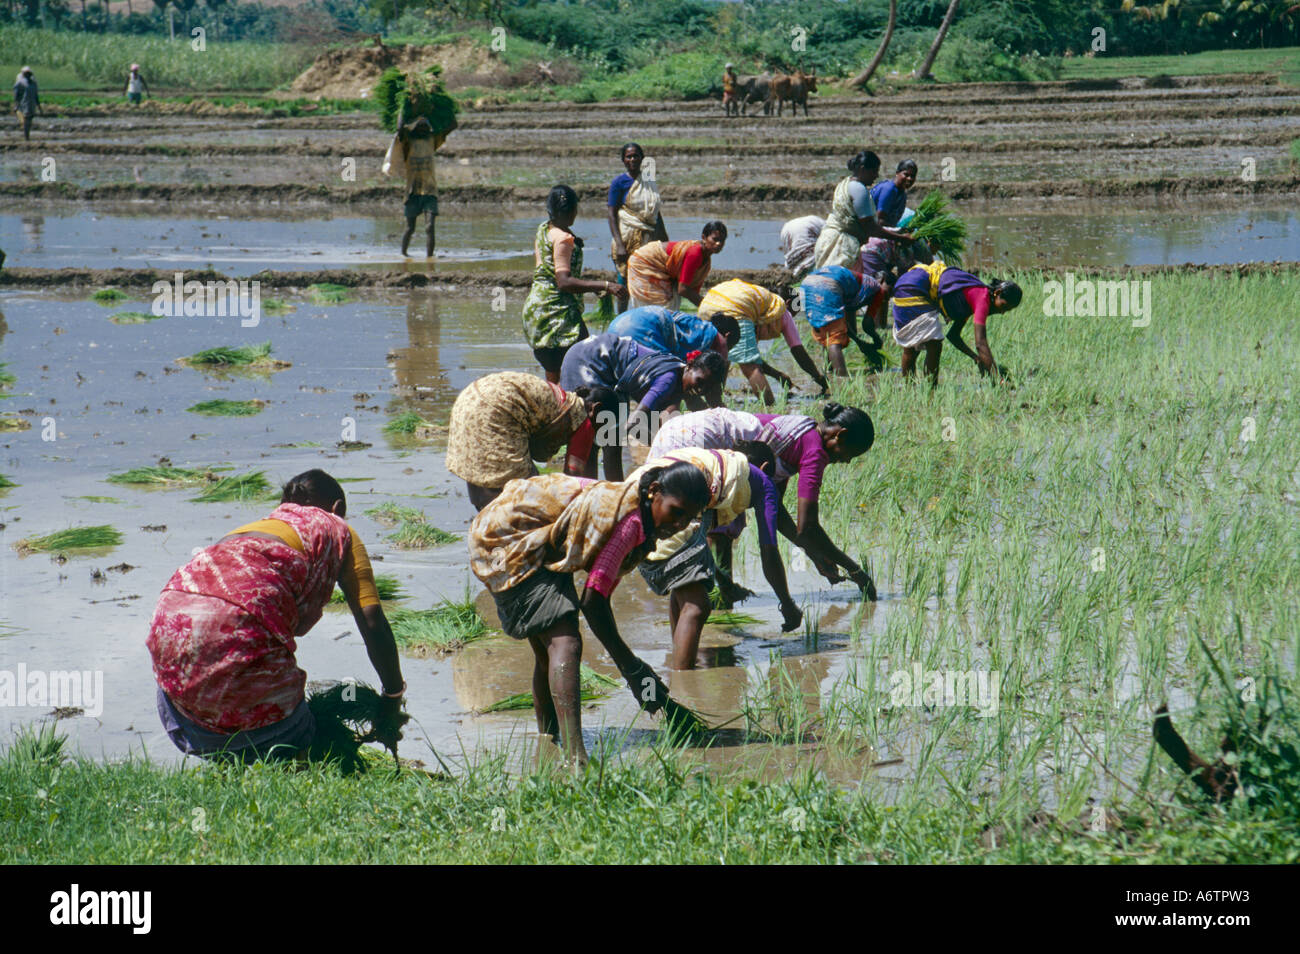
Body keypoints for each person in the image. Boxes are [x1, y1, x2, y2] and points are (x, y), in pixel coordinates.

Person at [146, 470, 406, 762]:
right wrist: (392, 697)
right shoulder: (336, 527)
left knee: (204, 666)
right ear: (337, 509)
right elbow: (372, 622)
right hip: (238, 642)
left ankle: (229, 751)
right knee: (306, 733)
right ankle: (279, 748)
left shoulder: (252, 531)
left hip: (170, 647)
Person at [468, 462, 711, 765]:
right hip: (505, 544)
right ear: (654, 492)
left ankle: (550, 739)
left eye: (688, 519)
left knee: (550, 652)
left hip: (524, 538)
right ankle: (576, 758)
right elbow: (593, 602)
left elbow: (601, 590)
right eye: (676, 512)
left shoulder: (634, 515)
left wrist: (634, 671)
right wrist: (633, 669)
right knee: (566, 643)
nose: (678, 524)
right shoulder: (631, 523)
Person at [647, 405, 878, 606]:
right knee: (707, 524)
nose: (847, 461)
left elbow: (774, 511)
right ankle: (706, 597)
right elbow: (807, 528)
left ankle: (711, 594)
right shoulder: (815, 451)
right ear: (840, 436)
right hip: (698, 440)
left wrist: (815, 554)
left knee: (667, 517)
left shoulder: (800, 430)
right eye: (851, 454)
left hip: (679, 428)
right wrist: (856, 571)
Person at [635, 442, 802, 670]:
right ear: (763, 468)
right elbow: (769, 552)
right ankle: (683, 684)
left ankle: (679, 664)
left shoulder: (717, 469)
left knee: (683, 593)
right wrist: (787, 604)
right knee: (697, 606)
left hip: (639, 495)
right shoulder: (763, 483)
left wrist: (724, 582)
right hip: (667, 502)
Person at [445, 371, 620, 511]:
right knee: (528, 495)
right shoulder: (585, 420)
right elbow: (574, 480)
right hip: (495, 409)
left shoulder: (563, 399)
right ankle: (503, 538)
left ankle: (485, 532)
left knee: (482, 473)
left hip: (469, 398)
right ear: (597, 410)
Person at [560, 333, 729, 474]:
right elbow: (635, 421)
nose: (700, 390)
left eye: (707, 388)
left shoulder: (681, 381)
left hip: (612, 373)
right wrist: (620, 435)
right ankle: (593, 493)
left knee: (611, 438)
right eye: (700, 381)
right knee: (594, 435)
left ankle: (608, 493)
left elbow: (668, 426)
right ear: (690, 365)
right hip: (588, 360)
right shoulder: (668, 380)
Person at [523, 185, 621, 383]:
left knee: (553, 377)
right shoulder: (563, 239)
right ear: (573, 210)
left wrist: (574, 239)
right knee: (580, 366)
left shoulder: (545, 228)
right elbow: (564, 281)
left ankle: (554, 410)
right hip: (557, 315)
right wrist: (604, 285)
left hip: (537, 311)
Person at [698, 277, 829, 405]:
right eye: (797, 309)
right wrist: (818, 377)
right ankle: (769, 407)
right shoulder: (782, 310)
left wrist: (778, 375)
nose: (794, 316)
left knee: (721, 359)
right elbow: (798, 351)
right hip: (735, 306)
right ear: (788, 303)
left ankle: (715, 404)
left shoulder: (761, 309)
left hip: (708, 304)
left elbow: (754, 357)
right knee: (750, 368)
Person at [891, 261, 1022, 386]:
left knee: (911, 348)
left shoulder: (969, 297)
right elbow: (980, 343)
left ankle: (910, 390)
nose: (1002, 312)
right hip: (915, 288)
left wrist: (976, 359)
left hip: (905, 284)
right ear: (997, 293)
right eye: (1004, 306)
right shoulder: (982, 298)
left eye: (1007, 310)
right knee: (933, 345)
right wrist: (997, 379)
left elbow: (954, 336)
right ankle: (930, 390)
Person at [812, 151, 912, 272]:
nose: (876, 176)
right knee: (840, 283)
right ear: (862, 169)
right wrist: (901, 238)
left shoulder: (844, 184)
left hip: (828, 241)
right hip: (841, 247)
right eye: (874, 171)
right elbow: (871, 228)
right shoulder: (859, 189)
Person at [608, 142, 668, 309]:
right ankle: (620, 321)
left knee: (646, 283)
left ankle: (641, 319)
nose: (633, 159)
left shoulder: (648, 180)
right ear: (623, 160)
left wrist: (665, 241)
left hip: (648, 240)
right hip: (626, 240)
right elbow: (612, 215)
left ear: (642, 159)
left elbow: (655, 212)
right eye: (629, 156)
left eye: (636, 156)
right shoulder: (619, 183)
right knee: (624, 284)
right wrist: (619, 244)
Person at [799, 262, 884, 377]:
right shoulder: (879, 290)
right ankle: (841, 379)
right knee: (835, 338)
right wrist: (876, 339)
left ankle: (830, 372)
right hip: (828, 284)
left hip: (807, 283)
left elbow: (847, 326)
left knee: (826, 331)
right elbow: (867, 324)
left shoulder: (855, 291)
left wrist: (860, 343)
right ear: (884, 282)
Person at [626, 221, 727, 310]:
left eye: (722, 240)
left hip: (660, 268)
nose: (718, 244)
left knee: (670, 305)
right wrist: (708, 306)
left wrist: (707, 305)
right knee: (660, 306)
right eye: (715, 239)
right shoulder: (695, 253)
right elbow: (683, 289)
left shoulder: (706, 261)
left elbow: (692, 290)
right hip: (645, 263)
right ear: (704, 238)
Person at [398, 115, 456, 257]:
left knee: (430, 227)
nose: (424, 129)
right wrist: (403, 110)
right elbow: (400, 129)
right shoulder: (407, 142)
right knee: (410, 228)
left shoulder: (432, 140)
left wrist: (446, 110)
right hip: (412, 191)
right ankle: (403, 255)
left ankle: (429, 258)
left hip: (430, 191)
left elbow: (453, 124)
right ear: (414, 129)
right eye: (420, 126)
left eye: (426, 126)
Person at [608, 305, 737, 361]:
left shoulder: (696, 325)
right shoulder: (712, 337)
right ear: (727, 335)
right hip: (641, 328)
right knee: (665, 377)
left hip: (618, 324)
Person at [870, 159, 917, 227]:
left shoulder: (902, 194)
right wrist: (898, 232)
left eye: (913, 176)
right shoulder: (889, 189)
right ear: (897, 173)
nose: (910, 178)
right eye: (906, 174)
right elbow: (879, 220)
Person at [780, 214, 826, 281]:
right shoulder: (826, 225)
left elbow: (788, 250)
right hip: (808, 228)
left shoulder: (787, 226)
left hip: (789, 229)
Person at [13, 67, 39, 142]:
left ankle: (27, 135)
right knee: (25, 121)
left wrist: (39, 106)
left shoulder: (34, 83)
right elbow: (16, 95)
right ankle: (26, 137)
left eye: (28, 73)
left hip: (32, 104)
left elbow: (36, 95)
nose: (27, 75)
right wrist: (16, 105)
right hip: (23, 104)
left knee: (29, 121)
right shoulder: (20, 83)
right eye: (26, 73)